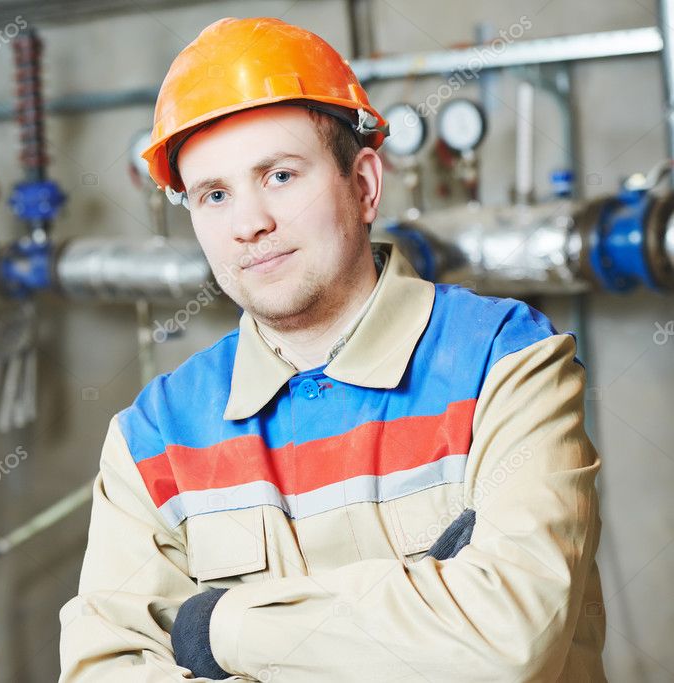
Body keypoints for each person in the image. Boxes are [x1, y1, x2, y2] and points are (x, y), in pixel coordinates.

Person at [59, 17, 605, 682]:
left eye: (281, 175)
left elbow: (505, 641)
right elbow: (103, 668)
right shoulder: (156, 435)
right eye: (214, 194)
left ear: (364, 184)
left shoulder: (506, 362)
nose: (248, 222)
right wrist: (418, 615)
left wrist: (216, 626)